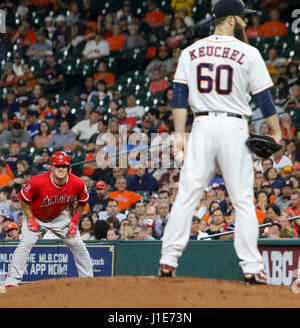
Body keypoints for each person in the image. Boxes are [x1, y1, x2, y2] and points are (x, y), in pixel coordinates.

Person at [158, 0, 282, 285]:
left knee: (187, 195)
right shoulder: (248, 52)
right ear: (229, 20)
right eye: (242, 18)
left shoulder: (190, 51)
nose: (246, 22)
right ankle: (251, 267)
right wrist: (276, 132)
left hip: (201, 125)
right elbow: (264, 99)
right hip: (233, 126)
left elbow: (179, 95)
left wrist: (179, 134)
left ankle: (167, 261)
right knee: (242, 201)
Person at [5, 151, 93, 287]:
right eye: (57, 166)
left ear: (69, 167)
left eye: (64, 166)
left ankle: (88, 280)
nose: (61, 169)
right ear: (51, 167)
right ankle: (12, 282)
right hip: (35, 216)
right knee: (26, 243)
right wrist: (30, 219)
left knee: (79, 245)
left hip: (59, 217)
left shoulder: (78, 183)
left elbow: (82, 202)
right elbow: (23, 199)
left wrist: (74, 222)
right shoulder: (38, 181)